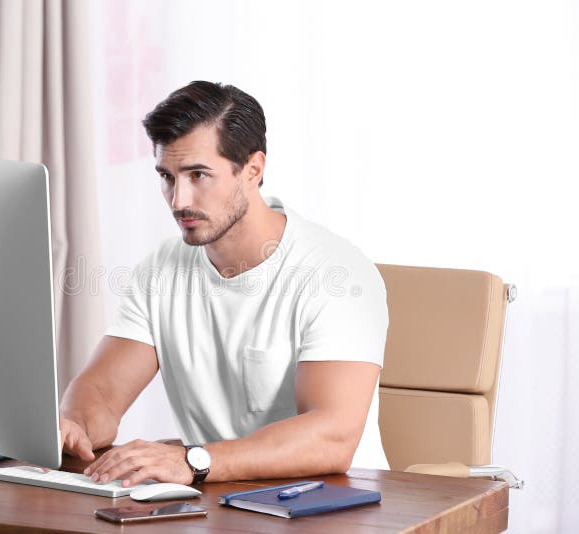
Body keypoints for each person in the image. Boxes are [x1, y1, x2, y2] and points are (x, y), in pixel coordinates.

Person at [59, 81, 389, 488]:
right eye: (167, 176)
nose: (179, 200)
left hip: (336, 505)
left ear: (253, 169)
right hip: (218, 501)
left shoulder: (335, 273)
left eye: (199, 175)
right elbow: (102, 393)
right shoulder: (160, 270)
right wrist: (73, 426)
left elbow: (331, 437)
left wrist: (193, 461)